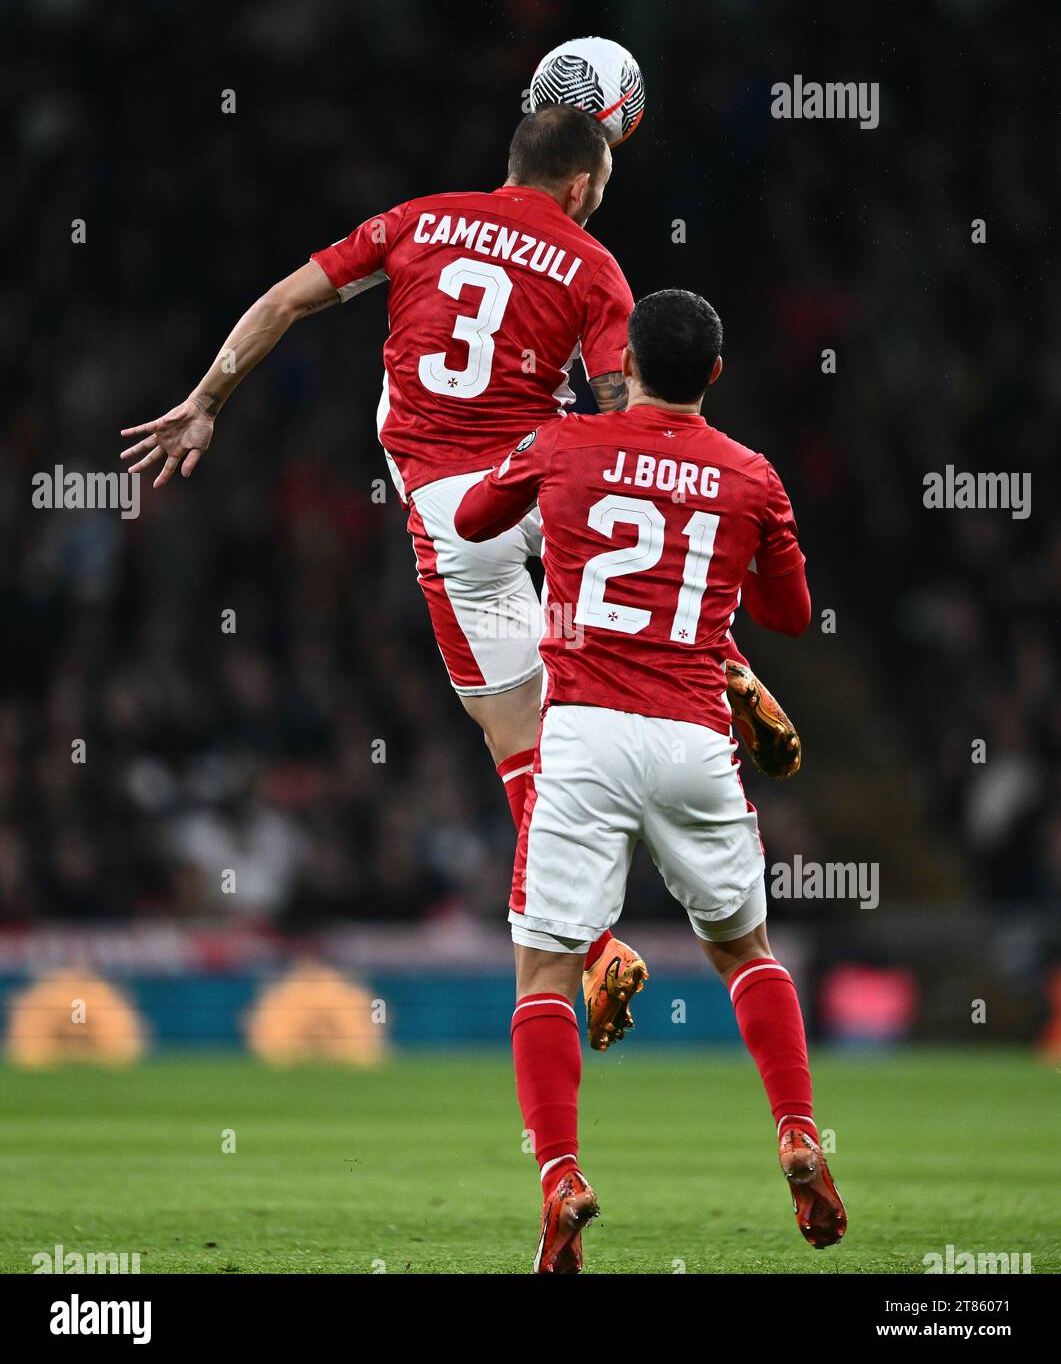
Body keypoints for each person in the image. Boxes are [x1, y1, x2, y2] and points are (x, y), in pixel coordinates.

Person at [119, 105, 794, 1048]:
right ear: (580, 187)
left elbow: (282, 302)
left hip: (453, 512)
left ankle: (595, 945)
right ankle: (721, 658)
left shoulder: (413, 221)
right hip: (546, 481)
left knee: (517, 739)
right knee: (637, 601)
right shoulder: (595, 267)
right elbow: (621, 416)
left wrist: (204, 402)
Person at [455, 288, 846, 1273]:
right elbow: (790, 613)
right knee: (744, 952)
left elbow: (468, 517)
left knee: (544, 972)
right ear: (714, 374)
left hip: (582, 734)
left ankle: (559, 1177)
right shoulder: (751, 475)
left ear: (621, 359)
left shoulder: (564, 442)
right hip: (692, 737)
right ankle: (798, 1134)